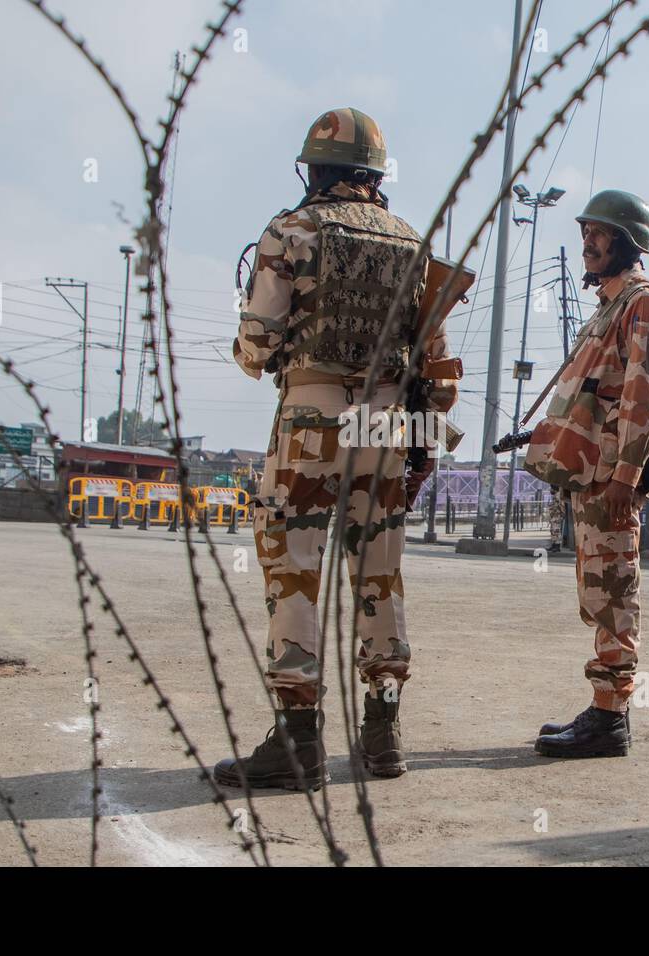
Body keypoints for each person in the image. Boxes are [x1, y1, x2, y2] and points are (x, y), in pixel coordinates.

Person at [215, 107, 459, 790]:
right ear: (375, 175)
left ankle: (297, 743)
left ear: (314, 170)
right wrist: (425, 443)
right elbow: (437, 367)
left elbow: (255, 346)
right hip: (385, 422)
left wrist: (250, 341)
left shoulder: (291, 229)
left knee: (294, 563)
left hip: (314, 412)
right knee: (379, 567)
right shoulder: (414, 244)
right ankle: (383, 737)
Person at [522, 189, 649, 759]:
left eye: (601, 233)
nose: (588, 242)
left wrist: (625, 476)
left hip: (611, 479)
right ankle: (602, 708)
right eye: (586, 231)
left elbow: (647, 396)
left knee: (614, 591)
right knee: (598, 591)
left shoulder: (645, 305)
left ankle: (611, 719)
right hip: (592, 476)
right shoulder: (610, 307)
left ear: (628, 241)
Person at [547, 486, 566, 553]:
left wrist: (562, 513)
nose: (550, 490)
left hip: (557, 516)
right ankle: (553, 545)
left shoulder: (558, 495)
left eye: (551, 488)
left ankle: (557, 546)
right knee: (553, 531)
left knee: (556, 531)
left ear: (554, 489)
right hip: (554, 516)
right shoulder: (555, 495)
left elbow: (561, 505)